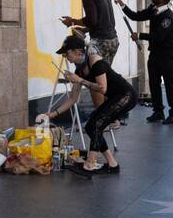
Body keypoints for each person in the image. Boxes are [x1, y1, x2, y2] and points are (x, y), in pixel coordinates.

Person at [38, 35, 137, 174]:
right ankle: (112, 164)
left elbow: (102, 88)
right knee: (91, 127)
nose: (66, 57)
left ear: (77, 51)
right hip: (115, 97)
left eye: (67, 53)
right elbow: (73, 99)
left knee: (96, 124)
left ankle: (90, 163)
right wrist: (52, 114)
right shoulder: (79, 70)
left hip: (127, 95)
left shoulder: (95, 62)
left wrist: (80, 80)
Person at [117, 0, 173, 124]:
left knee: (170, 83)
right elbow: (136, 16)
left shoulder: (168, 16)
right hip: (155, 53)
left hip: (167, 54)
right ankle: (158, 111)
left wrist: (139, 36)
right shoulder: (153, 10)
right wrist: (122, 5)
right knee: (153, 82)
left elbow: (159, 36)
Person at [61, 0, 119, 67]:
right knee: (106, 75)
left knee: (96, 75)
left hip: (101, 42)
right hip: (113, 40)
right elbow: (100, 21)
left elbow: (92, 20)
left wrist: (72, 21)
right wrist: (84, 30)